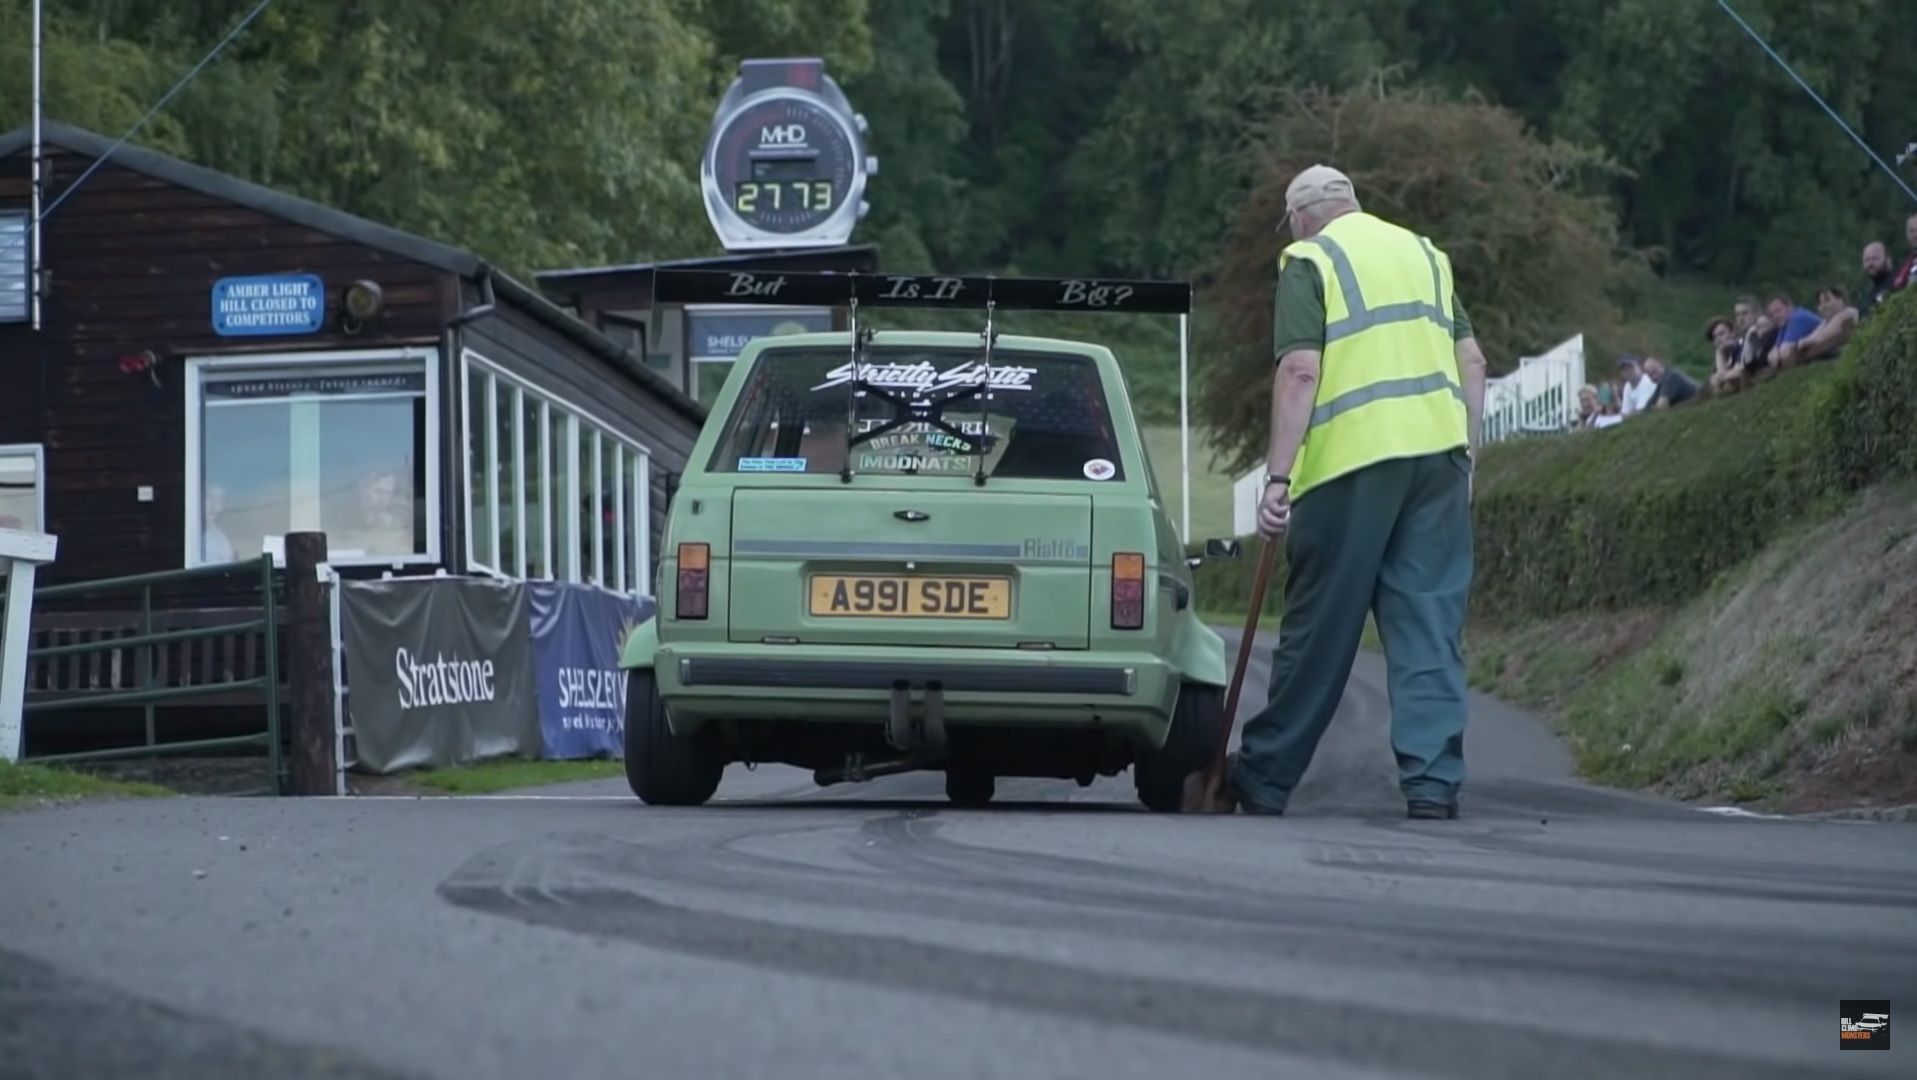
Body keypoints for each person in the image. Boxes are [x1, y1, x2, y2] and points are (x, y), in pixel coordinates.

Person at [1211, 163, 1485, 820]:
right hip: (1436, 463)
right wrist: (1466, 460)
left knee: (1320, 628)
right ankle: (1431, 784)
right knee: (1426, 624)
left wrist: (1277, 476)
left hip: (1350, 468)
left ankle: (1265, 777)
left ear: (1301, 216)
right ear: (1353, 203)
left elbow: (1301, 368)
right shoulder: (1425, 255)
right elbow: (1471, 361)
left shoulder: (1309, 259)